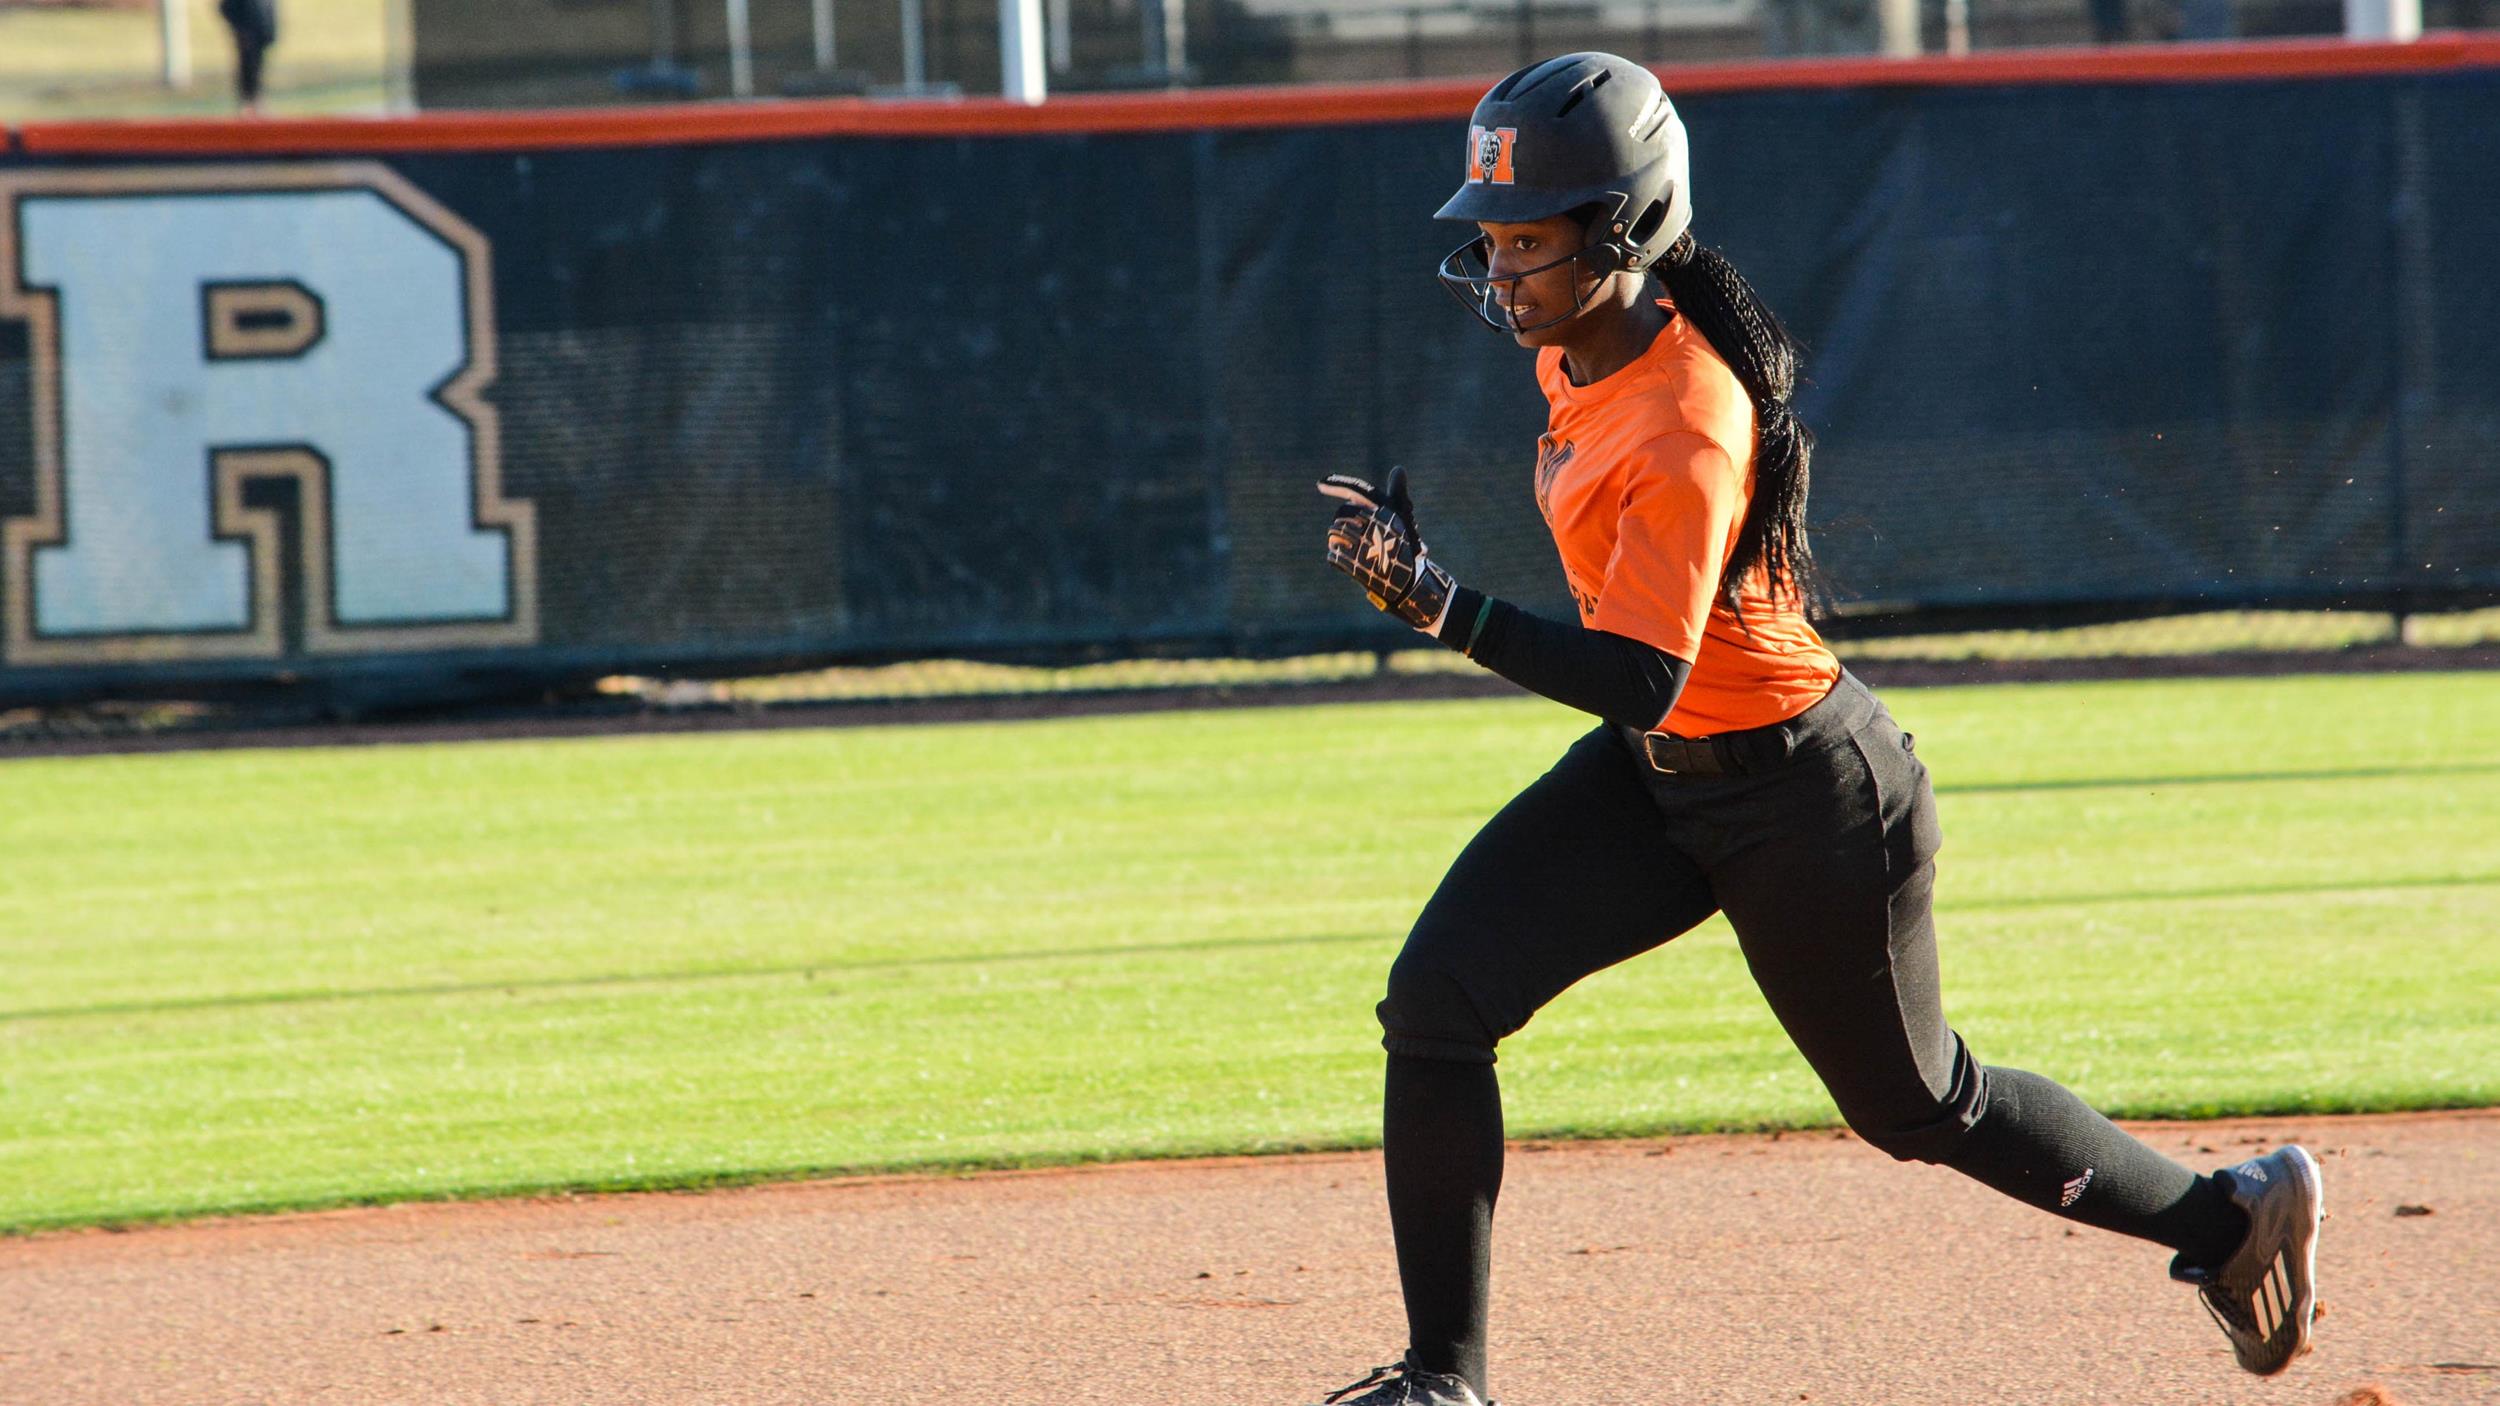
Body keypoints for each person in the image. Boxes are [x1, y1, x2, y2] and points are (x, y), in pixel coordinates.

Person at [1306, 51, 2323, 1406]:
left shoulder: (1686, 419)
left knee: (1919, 1106)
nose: (1502, 271)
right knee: (1436, 1002)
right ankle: (1447, 1380)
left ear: (1626, 230)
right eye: (1491, 241)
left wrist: (1444, 605)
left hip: (1810, 800)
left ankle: (2227, 1216)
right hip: (1668, 780)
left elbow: (1641, 679)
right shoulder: (1580, 344)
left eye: (1529, 242)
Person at [217, 0, 279, 115]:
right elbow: (226, 7)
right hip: (247, 37)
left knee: (257, 69)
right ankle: (248, 103)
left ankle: (256, 102)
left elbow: (269, 11)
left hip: (261, 35)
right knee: (247, 69)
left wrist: (269, 33)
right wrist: (240, 31)